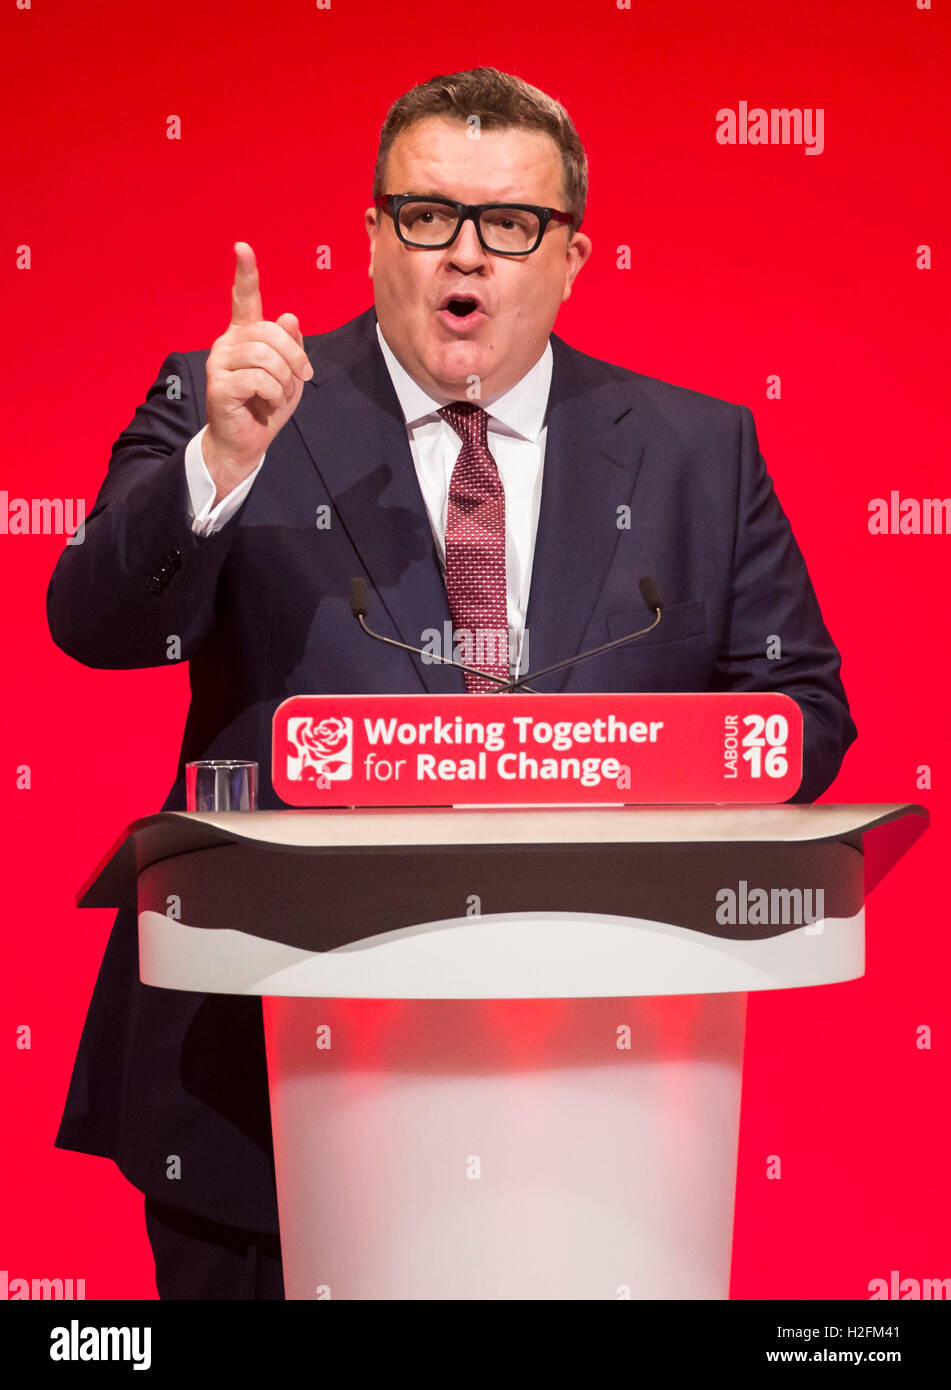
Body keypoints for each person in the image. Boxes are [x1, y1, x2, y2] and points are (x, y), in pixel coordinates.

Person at [47, 67, 857, 1299]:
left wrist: (615, 770)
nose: (462, 255)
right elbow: (93, 620)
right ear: (373, 237)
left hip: (597, 1106)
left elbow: (804, 714)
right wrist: (219, 460)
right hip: (263, 1102)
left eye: (510, 224)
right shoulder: (236, 404)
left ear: (574, 254)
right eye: (426, 215)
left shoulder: (701, 450)